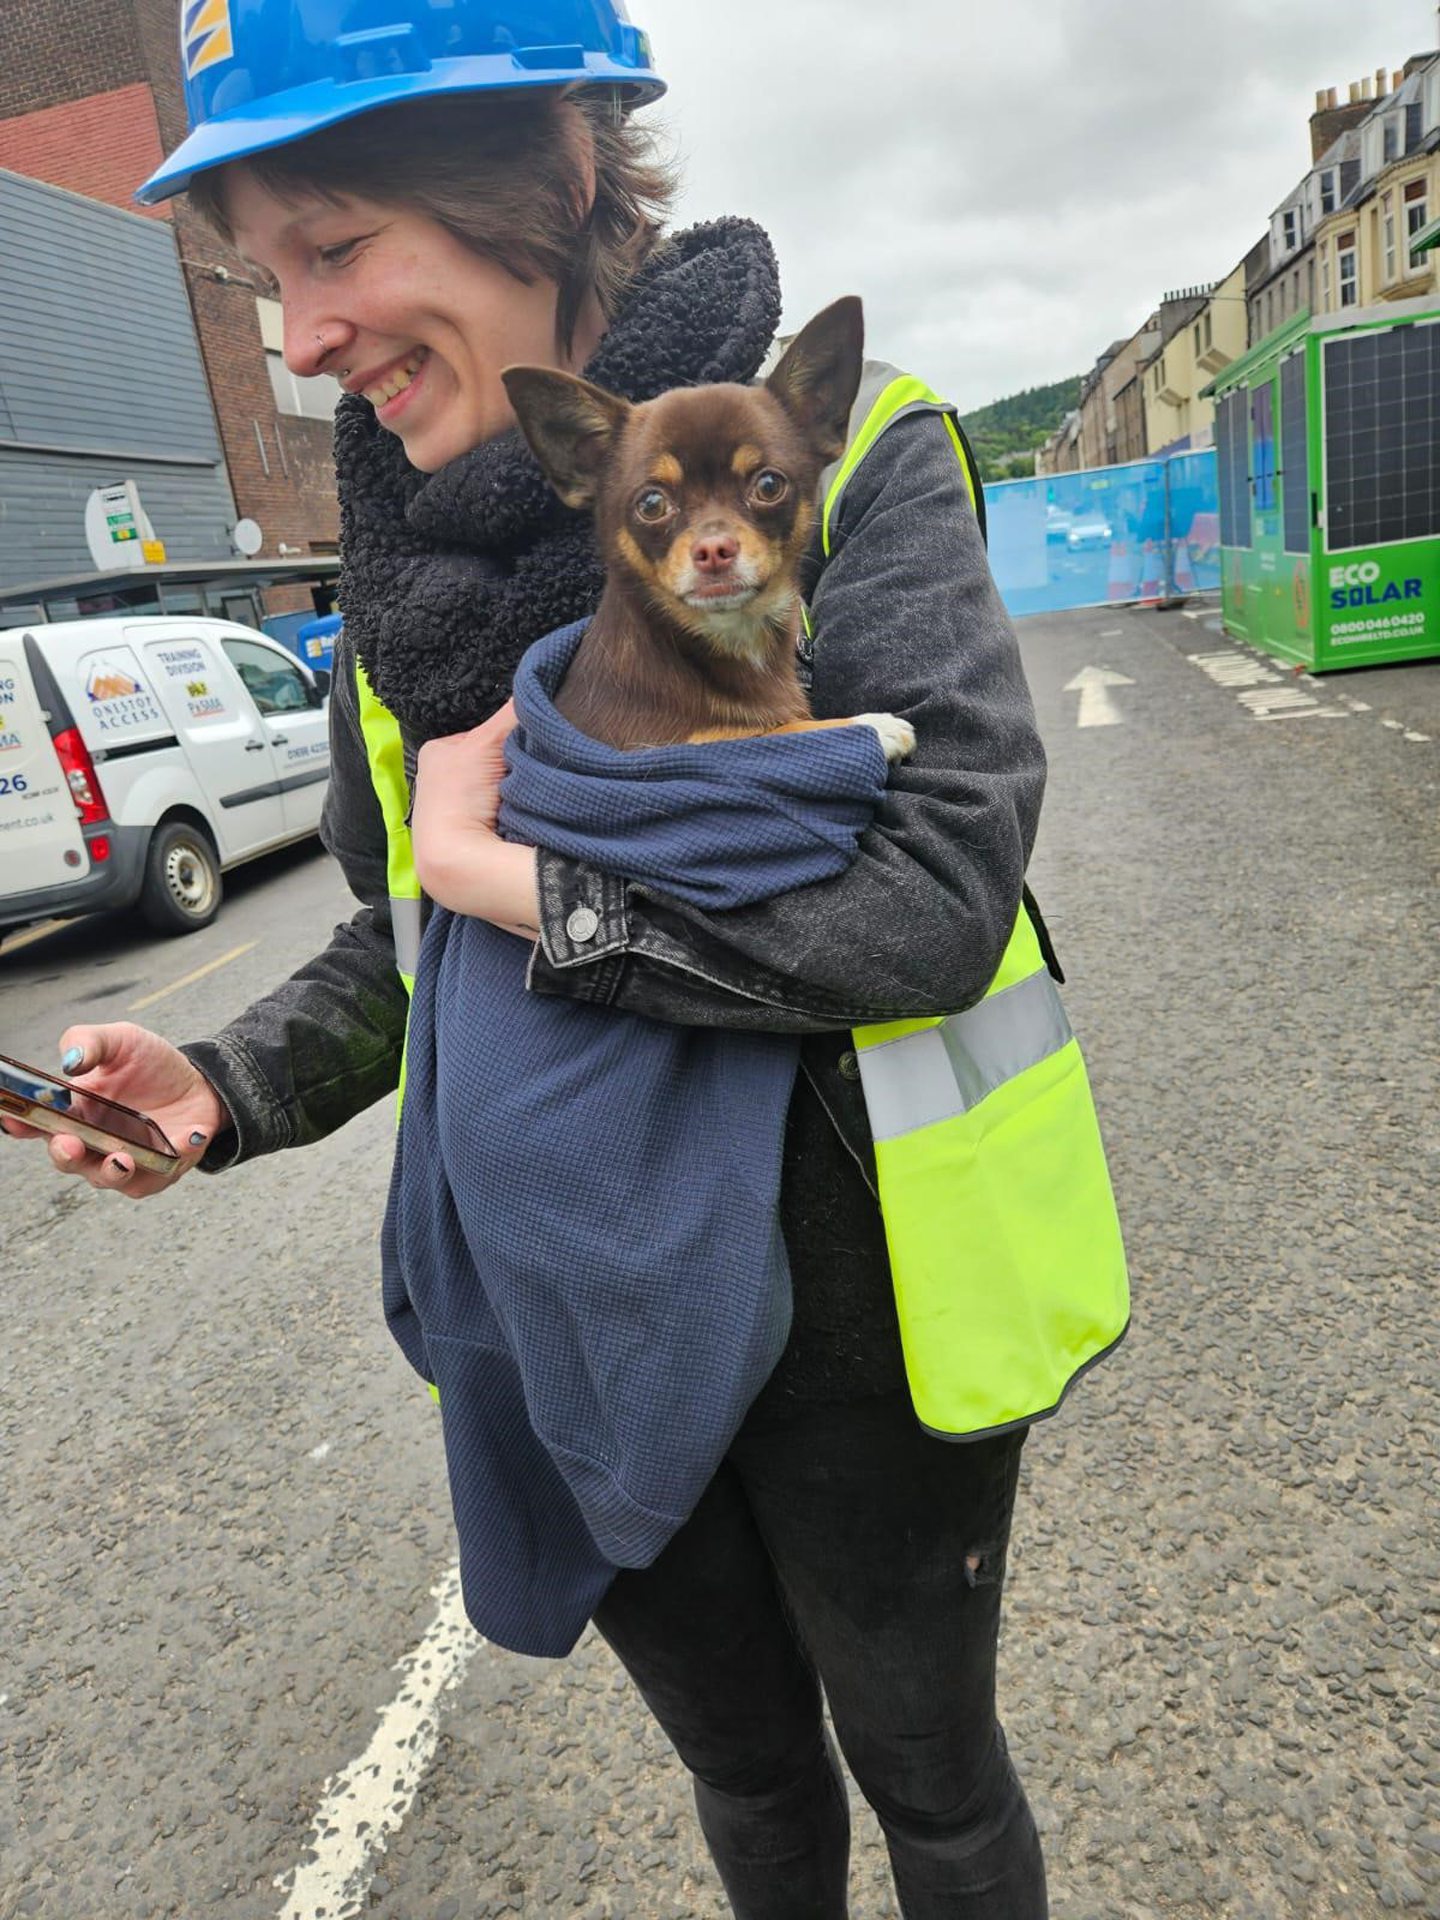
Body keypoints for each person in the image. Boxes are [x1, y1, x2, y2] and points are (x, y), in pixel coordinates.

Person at [0, 7, 1103, 1913]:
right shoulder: (393, 578)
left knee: (930, 1783)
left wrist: (539, 898)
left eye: (335, 250)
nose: (301, 334)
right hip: (567, 1324)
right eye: (268, 281)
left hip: (870, 1326)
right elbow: (405, 921)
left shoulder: (847, 459)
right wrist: (231, 1081)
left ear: (553, 180)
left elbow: (927, 909)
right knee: (755, 1789)